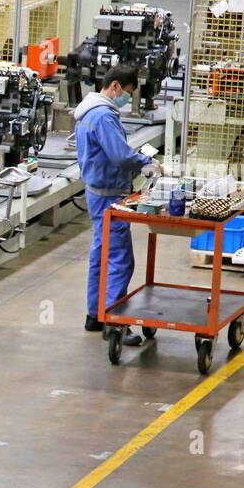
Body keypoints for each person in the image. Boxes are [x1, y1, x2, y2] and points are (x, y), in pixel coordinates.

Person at [74, 64, 159, 344]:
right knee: (121, 260)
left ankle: (95, 314)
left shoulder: (87, 112)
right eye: (127, 93)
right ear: (115, 87)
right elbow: (120, 156)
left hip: (96, 191)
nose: (126, 100)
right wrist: (146, 163)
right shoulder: (104, 117)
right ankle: (114, 324)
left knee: (101, 254)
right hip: (111, 195)